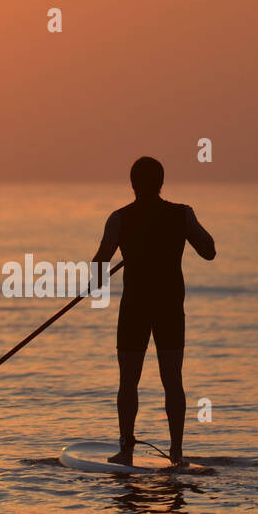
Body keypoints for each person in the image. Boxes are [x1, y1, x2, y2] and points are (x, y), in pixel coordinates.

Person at [92, 156, 215, 467]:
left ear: (133, 184)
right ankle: (176, 452)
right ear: (161, 183)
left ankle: (126, 450)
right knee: (172, 379)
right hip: (170, 306)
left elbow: (98, 265)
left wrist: (97, 280)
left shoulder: (119, 219)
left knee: (128, 381)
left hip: (135, 307)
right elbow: (210, 251)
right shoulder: (182, 215)